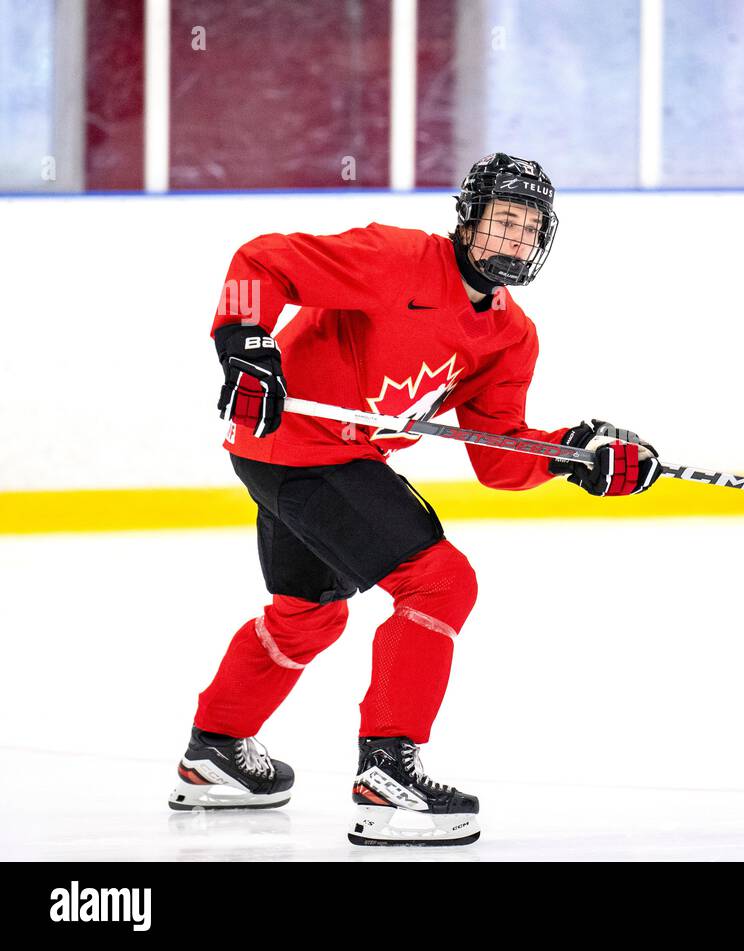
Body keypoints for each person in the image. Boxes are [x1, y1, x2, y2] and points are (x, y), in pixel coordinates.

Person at [168, 153, 661, 846]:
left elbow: (499, 456)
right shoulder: (395, 258)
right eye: (503, 221)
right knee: (440, 582)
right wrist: (245, 340)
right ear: (468, 219)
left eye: (530, 227)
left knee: (308, 616)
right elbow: (263, 261)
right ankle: (387, 772)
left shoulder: (511, 337)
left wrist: (575, 456)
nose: (515, 240)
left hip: (303, 455)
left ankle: (214, 752)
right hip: (300, 444)